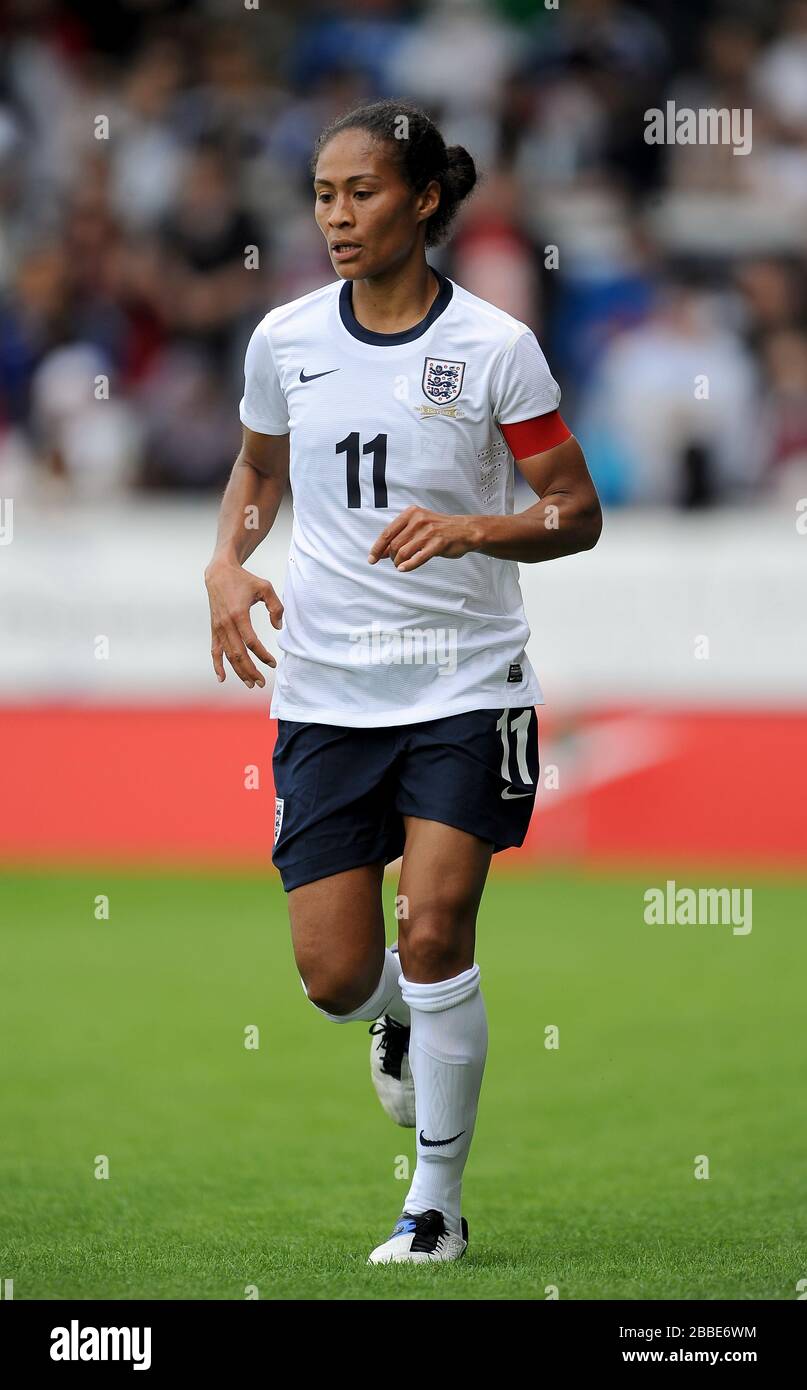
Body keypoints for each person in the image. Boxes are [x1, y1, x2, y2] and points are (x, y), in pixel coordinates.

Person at [204, 99, 602, 1264]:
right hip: (327, 690)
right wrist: (226, 560)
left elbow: (575, 512)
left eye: (362, 192)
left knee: (434, 930)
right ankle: (393, 1022)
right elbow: (257, 471)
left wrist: (476, 526)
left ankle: (435, 1205)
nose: (337, 216)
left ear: (425, 200)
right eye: (324, 195)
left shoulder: (494, 346)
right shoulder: (285, 339)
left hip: (467, 684)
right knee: (335, 976)